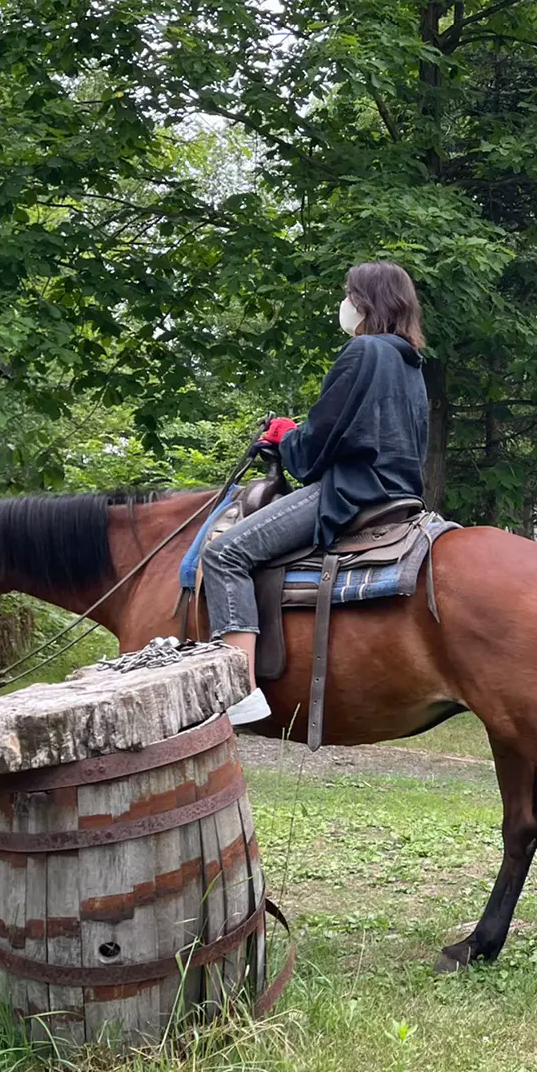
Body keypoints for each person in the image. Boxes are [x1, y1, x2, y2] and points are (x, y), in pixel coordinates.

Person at [204, 260, 430, 724]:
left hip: (353, 492)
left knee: (224, 555)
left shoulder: (364, 352)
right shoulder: (410, 363)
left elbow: (313, 450)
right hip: (399, 493)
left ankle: (239, 689)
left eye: (348, 294)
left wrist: (285, 435)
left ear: (365, 301)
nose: (344, 304)